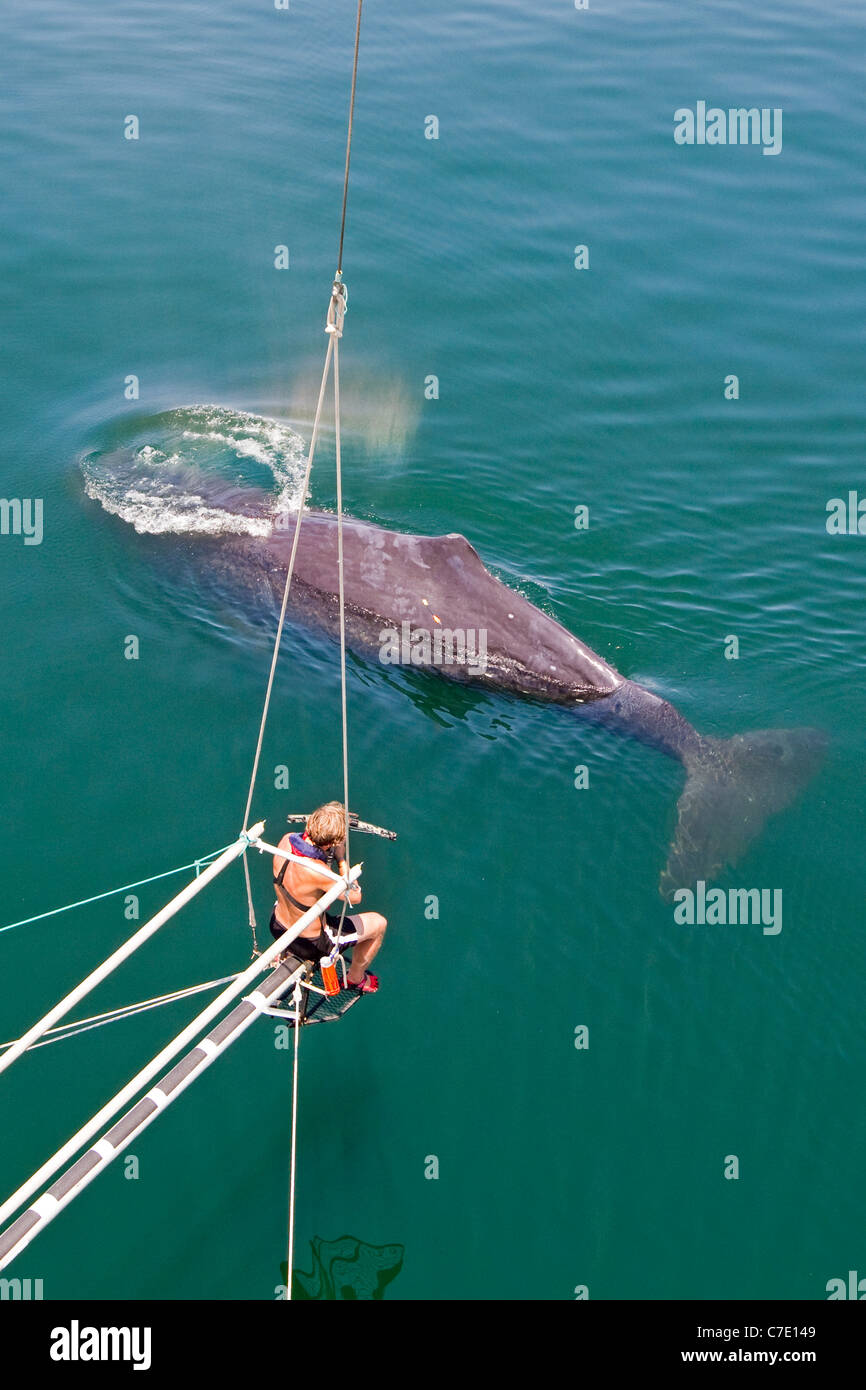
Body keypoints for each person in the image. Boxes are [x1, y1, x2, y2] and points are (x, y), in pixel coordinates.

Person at [271, 801, 387, 994]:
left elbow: (309, 847)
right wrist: (341, 859)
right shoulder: (321, 873)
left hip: (278, 927)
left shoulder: (285, 840)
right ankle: (355, 978)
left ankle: (287, 952)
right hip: (311, 944)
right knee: (379, 923)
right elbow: (355, 896)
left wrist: (330, 825)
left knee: (301, 900)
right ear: (332, 843)